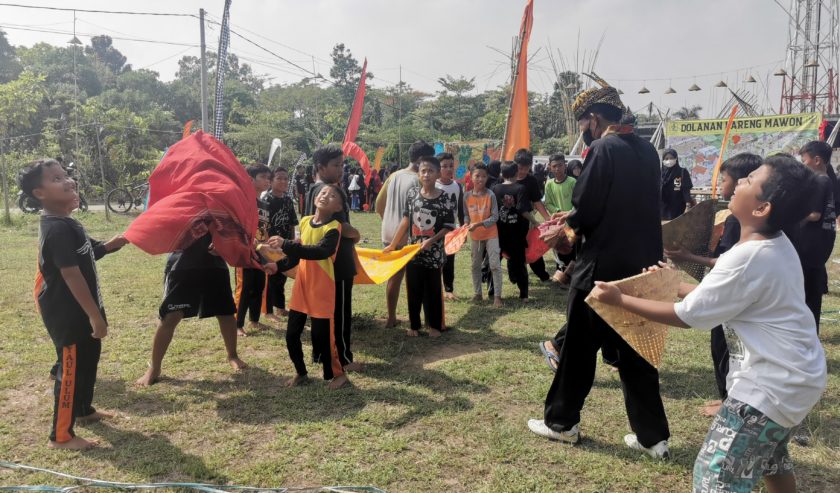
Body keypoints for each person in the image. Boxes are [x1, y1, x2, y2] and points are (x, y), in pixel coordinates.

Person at [589, 155, 827, 492]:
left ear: (762, 209)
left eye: (749, 180)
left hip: (769, 387)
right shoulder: (773, 246)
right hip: (797, 378)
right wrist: (670, 284)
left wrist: (619, 299)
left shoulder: (747, 257)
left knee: (715, 476)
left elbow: (688, 315)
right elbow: (719, 295)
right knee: (771, 457)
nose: (739, 182)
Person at [527, 83, 671, 458]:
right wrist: (574, 216)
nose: (583, 131)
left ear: (594, 118)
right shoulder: (647, 151)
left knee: (576, 350)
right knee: (637, 355)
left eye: (583, 124)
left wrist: (569, 224)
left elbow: (588, 207)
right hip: (641, 268)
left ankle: (561, 423)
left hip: (601, 268)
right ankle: (652, 438)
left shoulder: (603, 148)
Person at [20, 159, 128, 449]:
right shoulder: (55, 230)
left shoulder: (68, 222)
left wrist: (112, 244)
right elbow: (70, 273)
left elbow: (89, 252)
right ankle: (61, 435)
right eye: (56, 179)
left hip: (84, 309)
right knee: (70, 368)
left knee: (88, 360)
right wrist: (94, 316)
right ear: (40, 193)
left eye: (66, 175)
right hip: (69, 314)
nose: (68, 181)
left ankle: (83, 410)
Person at [665, 153, 762, 417]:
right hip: (734, 299)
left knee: (725, 350)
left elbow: (726, 261)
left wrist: (688, 257)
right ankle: (727, 397)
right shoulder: (740, 221)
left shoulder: (736, 221)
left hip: (729, 300)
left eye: (725, 179)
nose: (720, 184)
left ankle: (729, 400)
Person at [271, 184, 350, 390]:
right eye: (323, 192)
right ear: (315, 197)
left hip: (322, 289)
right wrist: (276, 266)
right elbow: (299, 254)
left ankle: (338, 375)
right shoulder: (305, 222)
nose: (325, 196)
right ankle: (301, 372)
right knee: (291, 335)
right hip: (302, 288)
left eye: (332, 195)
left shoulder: (334, 228)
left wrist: (285, 244)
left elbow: (320, 251)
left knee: (322, 337)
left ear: (339, 207)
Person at [304, 144, 362, 372]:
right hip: (338, 263)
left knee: (322, 311)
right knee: (340, 313)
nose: (341, 169)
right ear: (321, 167)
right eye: (336, 165)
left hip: (320, 262)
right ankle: (344, 359)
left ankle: (320, 354)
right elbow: (340, 226)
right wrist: (356, 234)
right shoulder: (330, 192)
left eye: (342, 164)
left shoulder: (312, 190)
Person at [384, 156, 455, 337]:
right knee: (413, 289)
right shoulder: (412, 194)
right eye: (423, 171)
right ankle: (414, 326)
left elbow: (448, 226)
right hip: (413, 252)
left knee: (432, 291)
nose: (426, 174)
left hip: (434, 254)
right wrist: (393, 244)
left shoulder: (445, 198)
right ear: (419, 174)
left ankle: (434, 326)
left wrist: (431, 241)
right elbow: (406, 220)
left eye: (430, 171)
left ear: (437, 174)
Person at [376, 140, 435, 328]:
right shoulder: (418, 180)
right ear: (420, 160)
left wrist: (387, 221)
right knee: (416, 279)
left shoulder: (393, 176)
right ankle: (417, 320)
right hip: (409, 236)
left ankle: (391, 317)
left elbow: (378, 204)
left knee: (394, 278)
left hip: (388, 233)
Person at [791, 141, 836, 333]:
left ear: (816, 160)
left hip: (811, 243)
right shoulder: (828, 180)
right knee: (811, 289)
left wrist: (789, 215)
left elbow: (814, 214)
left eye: (804, 160)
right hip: (819, 242)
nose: (802, 164)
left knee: (807, 290)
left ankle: (807, 333)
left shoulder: (820, 180)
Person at [235, 164, 273, 336]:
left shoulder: (264, 203)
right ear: (251, 179)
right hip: (245, 251)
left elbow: (265, 227)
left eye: (268, 177)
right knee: (244, 288)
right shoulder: (243, 201)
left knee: (259, 285)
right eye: (263, 177)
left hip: (261, 251)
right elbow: (239, 226)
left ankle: (254, 321)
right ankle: (237, 324)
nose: (268, 181)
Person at [463, 164, 502, 307]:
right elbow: (466, 215)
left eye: (483, 176)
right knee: (475, 265)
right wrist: (466, 224)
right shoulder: (466, 196)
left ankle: (497, 297)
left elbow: (495, 217)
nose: (480, 179)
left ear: (487, 178)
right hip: (475, 236)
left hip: (491, 234)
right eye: (477, 176)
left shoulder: (490, 195)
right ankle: (477, 293)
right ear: (471, 177)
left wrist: (478, 224)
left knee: (494, 265)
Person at [493, 162, 533, 301]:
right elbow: (523, 210)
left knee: (494, 263)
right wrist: (536, 222)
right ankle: (524, 295)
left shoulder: (495, 188)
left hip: (498, 233)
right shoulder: (521, 188)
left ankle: (492, 292)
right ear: (516, 173)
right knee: (520, 263)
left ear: (501, 174)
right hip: (517, 234)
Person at [262, 167, 298, 321]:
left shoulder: (288, 200)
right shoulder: (266, 200)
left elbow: (292, 224)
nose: (283, 181)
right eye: (279, 178)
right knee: (270, 278)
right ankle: (268, 311)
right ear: (271, 181)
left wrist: (290, 243)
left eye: (285, 178)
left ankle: (280, 308)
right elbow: (262, 225)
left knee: (281, 277)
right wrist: (268, 246)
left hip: (285, 243)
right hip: (269, 244)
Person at [514, 149, 551, 282]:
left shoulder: (531, 180)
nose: (522, 171)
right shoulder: (507, 177)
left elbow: (537, 201)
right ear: (515, 164)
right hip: (509, 219)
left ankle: (542, 274)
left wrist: (547, 218)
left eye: (526, 168)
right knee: (512, 248)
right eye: (520, 168)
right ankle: (516, 276)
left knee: (531, 246)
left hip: (527, 219)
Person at [543, 154, 576, 284]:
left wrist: (568, 213)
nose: (557, 169)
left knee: (571, 249)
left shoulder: (572, 182)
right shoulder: (549, 184)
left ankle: (570, 277)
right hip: (558, 224)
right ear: (550, 168)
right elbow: (548, 203)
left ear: (565, 166)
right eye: (554, 166)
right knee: (559, 249)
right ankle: (561, 276)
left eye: (560, 165)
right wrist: (558, 212)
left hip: (572, 223)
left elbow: (577, 202)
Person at [436, 152, 464, 300]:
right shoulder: (433, 184)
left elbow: (460, 209)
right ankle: (434, 288)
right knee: (435, 260)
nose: (448, 169)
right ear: (438, 168)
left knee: (449, 260)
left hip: (451, 231)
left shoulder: (457, 186)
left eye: (451, 166)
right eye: (444, 166)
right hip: (434, 231)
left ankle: (449, 289)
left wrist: (463, 229)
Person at [660, 148, 695, 220]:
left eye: (671, 158)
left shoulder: (682, 172)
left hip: (678, 209)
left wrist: (688, 206)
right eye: (666, 158)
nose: (669, 160)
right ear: (663, 160)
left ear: (676, 159)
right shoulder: (659, 172)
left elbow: (686, 191)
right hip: (662, 210)